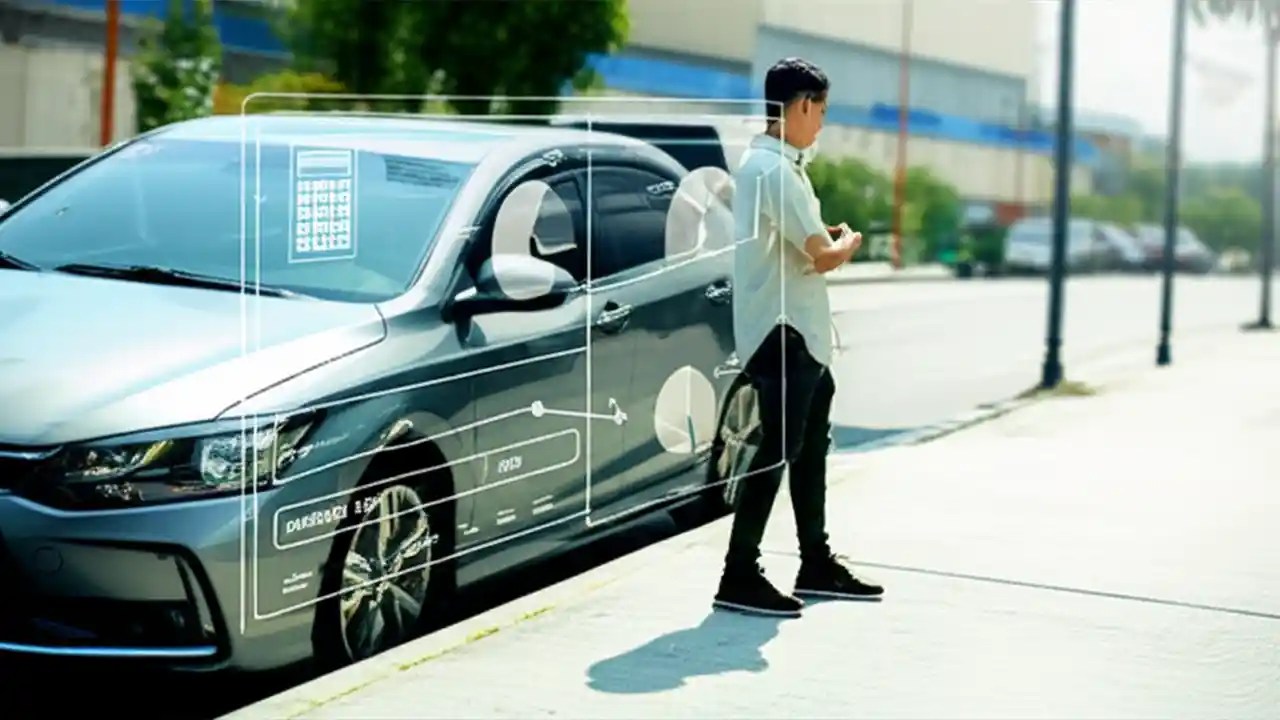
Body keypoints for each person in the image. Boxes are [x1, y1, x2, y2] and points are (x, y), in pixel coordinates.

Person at [714, 57, 884, 617]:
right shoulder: (775, 172)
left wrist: (823, 238)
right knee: (779, 450)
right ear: (802, 104)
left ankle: (816, 562)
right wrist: (850, 242)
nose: (822, 124)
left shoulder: (774, 166)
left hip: (794, 333)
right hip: (783, 333)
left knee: (808, 445)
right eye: (822, 112)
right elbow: (821, 256)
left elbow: (796, 241)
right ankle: (738, 574)